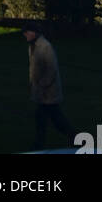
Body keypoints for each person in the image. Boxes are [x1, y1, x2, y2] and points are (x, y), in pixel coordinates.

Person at [23, 21, 74, 150]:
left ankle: (39, 145)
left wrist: (42, 85)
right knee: (53, 118)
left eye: (27, 32)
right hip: (41, 91)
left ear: (33, 32)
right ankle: (75, 137)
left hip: (48, 92)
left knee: (47, 119)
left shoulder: (45, 47)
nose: (25, 35)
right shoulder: (33, 46)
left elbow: (52, 69)